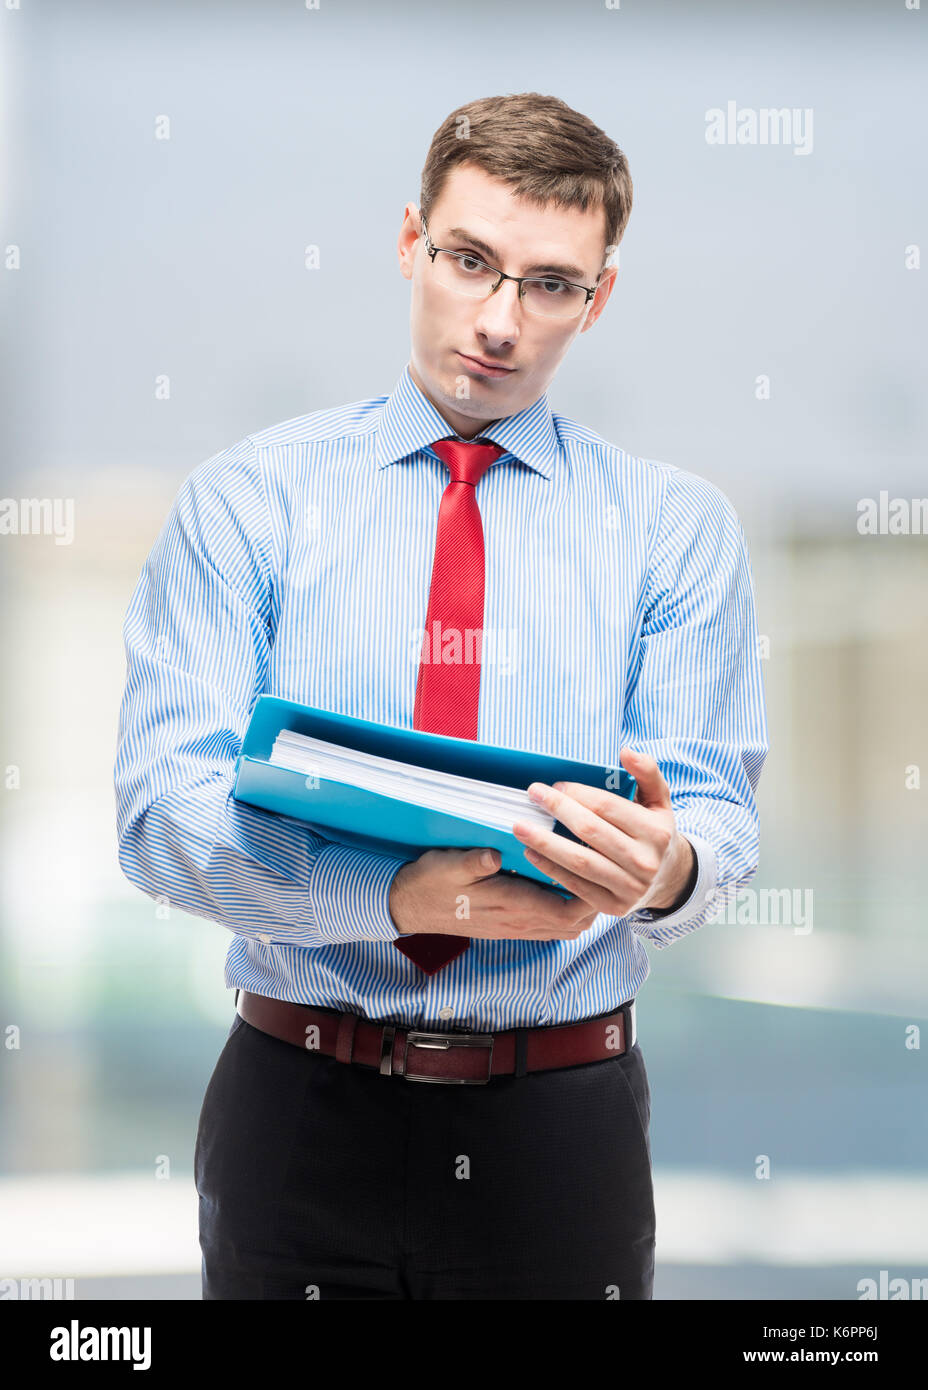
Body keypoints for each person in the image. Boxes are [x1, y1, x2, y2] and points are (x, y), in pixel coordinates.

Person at [114, 91, 768, 1300]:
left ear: (598, 298)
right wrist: (392, 891)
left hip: (557, 1123)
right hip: (296, 1108)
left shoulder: (675, 531)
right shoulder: (248, 502)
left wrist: (665, 869)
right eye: (470, 261)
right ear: (410, 242)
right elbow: (160, 818)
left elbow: (716, 809)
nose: (500, 321)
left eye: (551, 283)